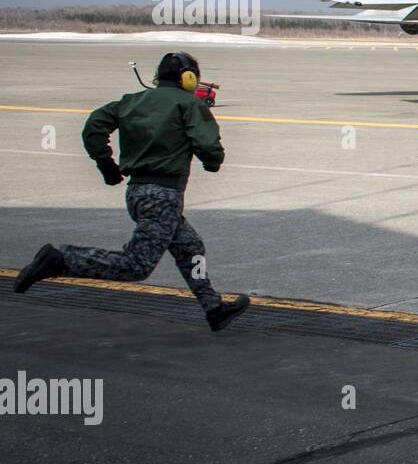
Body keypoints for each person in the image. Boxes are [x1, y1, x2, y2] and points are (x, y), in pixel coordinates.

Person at [14, 52, 250, 331]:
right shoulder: (189, 104)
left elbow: (94, 126)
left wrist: (107, 166)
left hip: (138, 193)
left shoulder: (131, 101)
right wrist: (213, 162)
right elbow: (208, 147)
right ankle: (62, 260)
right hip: (163, 197)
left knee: (190, 247)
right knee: (136, 265)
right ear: (188, 78)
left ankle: (214, 308)